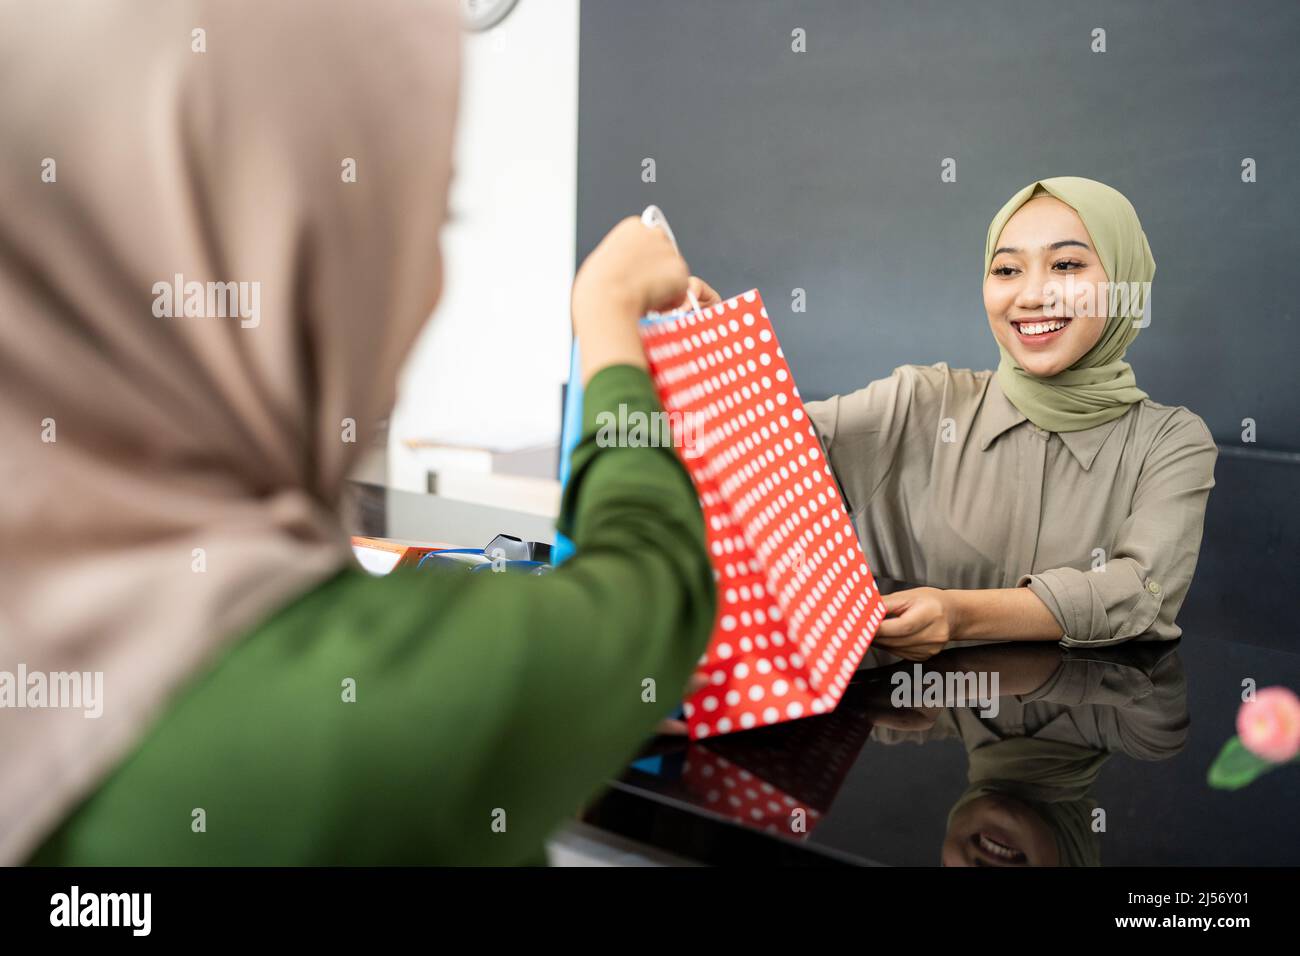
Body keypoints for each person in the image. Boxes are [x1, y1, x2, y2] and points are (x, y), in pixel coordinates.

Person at [1, 0, 716, 865]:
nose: (429, 286)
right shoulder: (345, 709)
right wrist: (608, 318)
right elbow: (653, 587)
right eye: (428, 222)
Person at [802, 177, 1217, 660]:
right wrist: (698, 325)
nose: (1032, 295)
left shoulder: (1171, 441)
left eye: (1065, 265)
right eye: (1006, 270)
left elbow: (1140, 592)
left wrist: (959, 614)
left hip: (1094, 726)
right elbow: (753, 444)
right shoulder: (921, 401)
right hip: (899, 714)